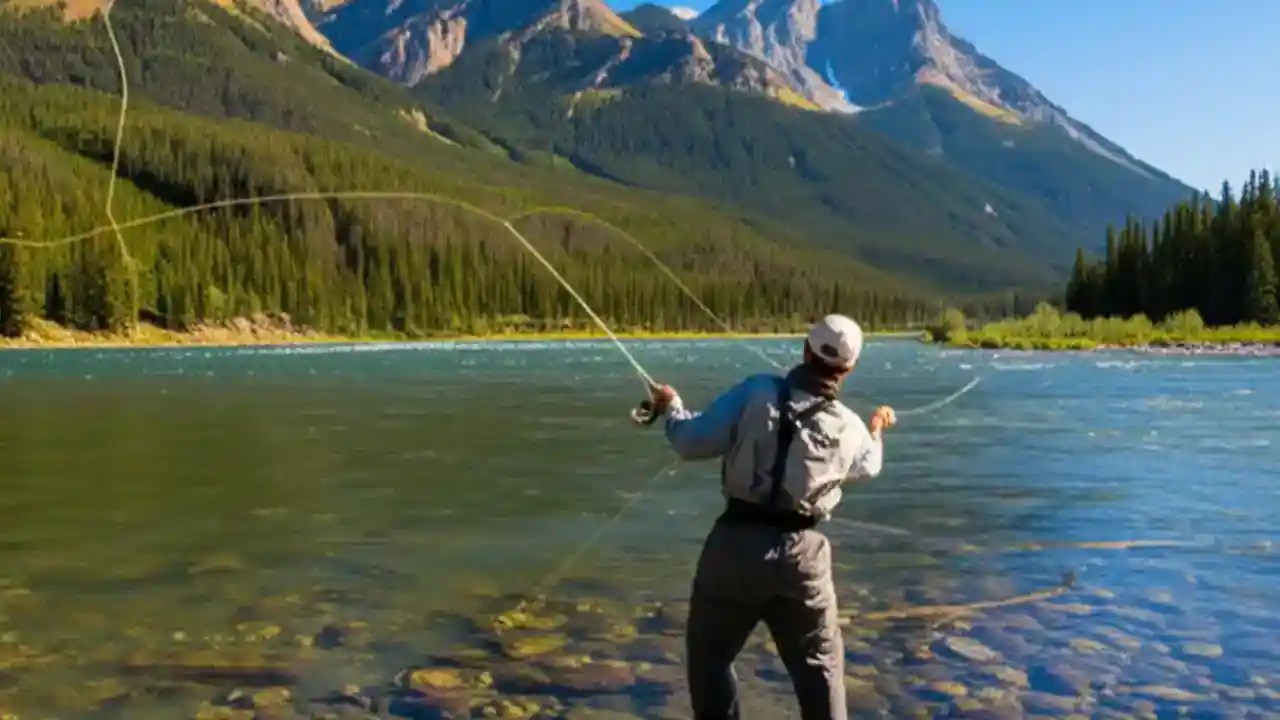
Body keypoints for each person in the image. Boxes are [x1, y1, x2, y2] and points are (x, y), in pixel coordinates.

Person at [643, 314, 896, 720]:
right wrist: (877, 428)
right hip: (804, 557)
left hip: (734, 547)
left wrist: (671, 407)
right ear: (849, 368)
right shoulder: (849, 428)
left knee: (710, 659)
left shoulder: (755, 391)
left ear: (805, 350)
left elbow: (690, 442)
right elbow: (869, 465)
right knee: (821, 670)